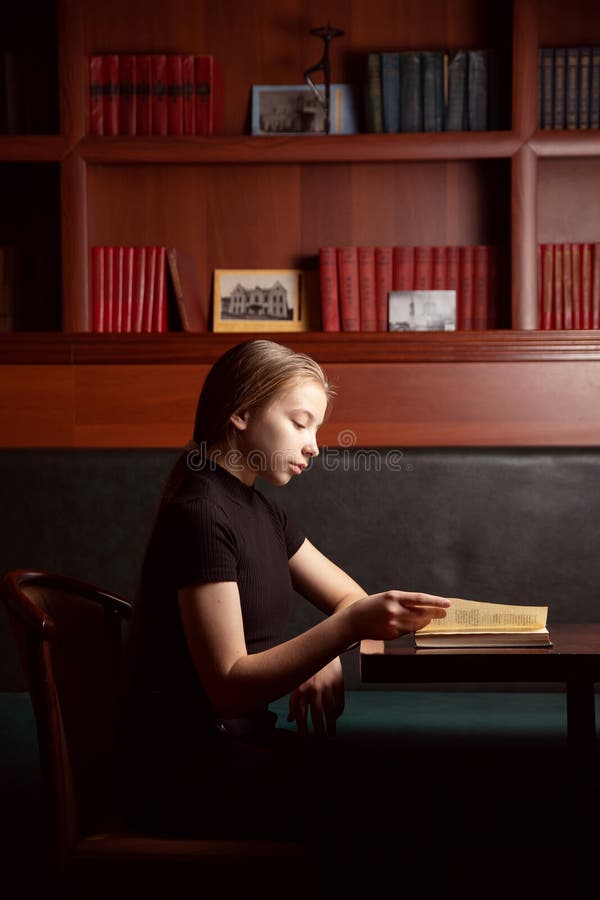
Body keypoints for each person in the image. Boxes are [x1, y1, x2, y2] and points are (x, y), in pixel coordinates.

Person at [116, 338, 450, 845]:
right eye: (300, 423)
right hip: (190, 767)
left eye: (316, 427)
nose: (315, 444)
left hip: (241, 746)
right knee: (395, 801)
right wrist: (344, 631)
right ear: (242, 414)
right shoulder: (201, 514)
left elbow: (350, 598)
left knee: (417, 781)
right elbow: (227, 687)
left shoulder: (263, 512)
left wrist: (328, 650)